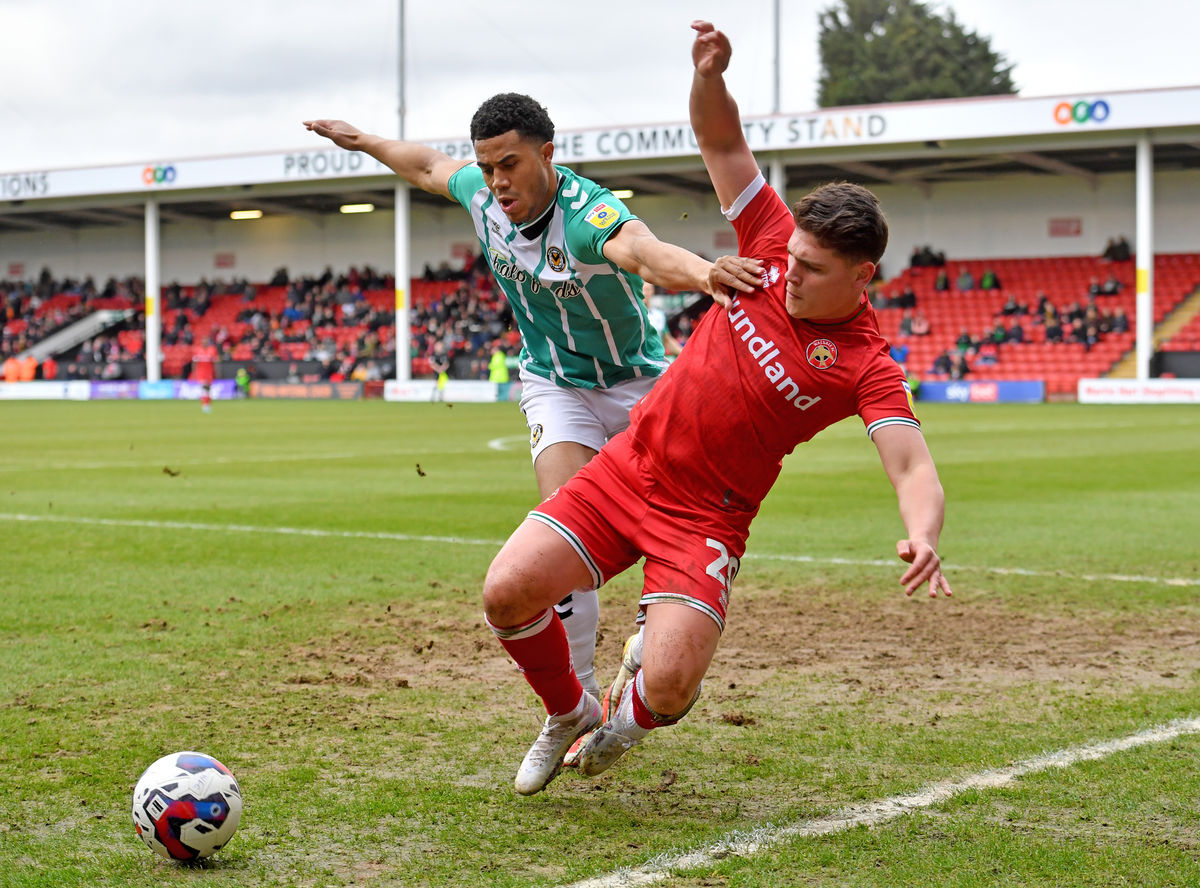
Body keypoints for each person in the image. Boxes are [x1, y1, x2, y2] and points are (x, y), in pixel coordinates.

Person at [480, 20, 951, 797]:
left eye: (813, 269)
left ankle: (624, 724)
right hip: (627, 471)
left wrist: (922, 534)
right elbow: (722, 140)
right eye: (791, 257)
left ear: (862, 276)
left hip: (706, 519)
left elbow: (909, 462)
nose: (788, 275)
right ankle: (569, 709)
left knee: (667, 688)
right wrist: (709, 74)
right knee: (506, 592)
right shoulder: (767, 237)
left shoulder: (866, 363)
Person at [306, 98, 759, 712]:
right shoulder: (482, 194)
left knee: (678, 517)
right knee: (562, 520)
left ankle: (657, 632)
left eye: (510, 164)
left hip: (638, 384)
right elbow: (425, 167)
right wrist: (361, 140)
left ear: (547, 154)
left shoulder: (587, 215)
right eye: (487, 165)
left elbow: (643, 251)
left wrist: (708, 275)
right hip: (554, 382)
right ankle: (582, 693)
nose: (497, 180)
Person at [642, 282, 683, 358]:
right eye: (642, 289)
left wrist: (685, 354)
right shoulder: (634, 315)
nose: (645, 293)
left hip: (657, 360)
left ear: (653, 291)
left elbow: (666, 339)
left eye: (647, 290)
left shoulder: (659, 315)